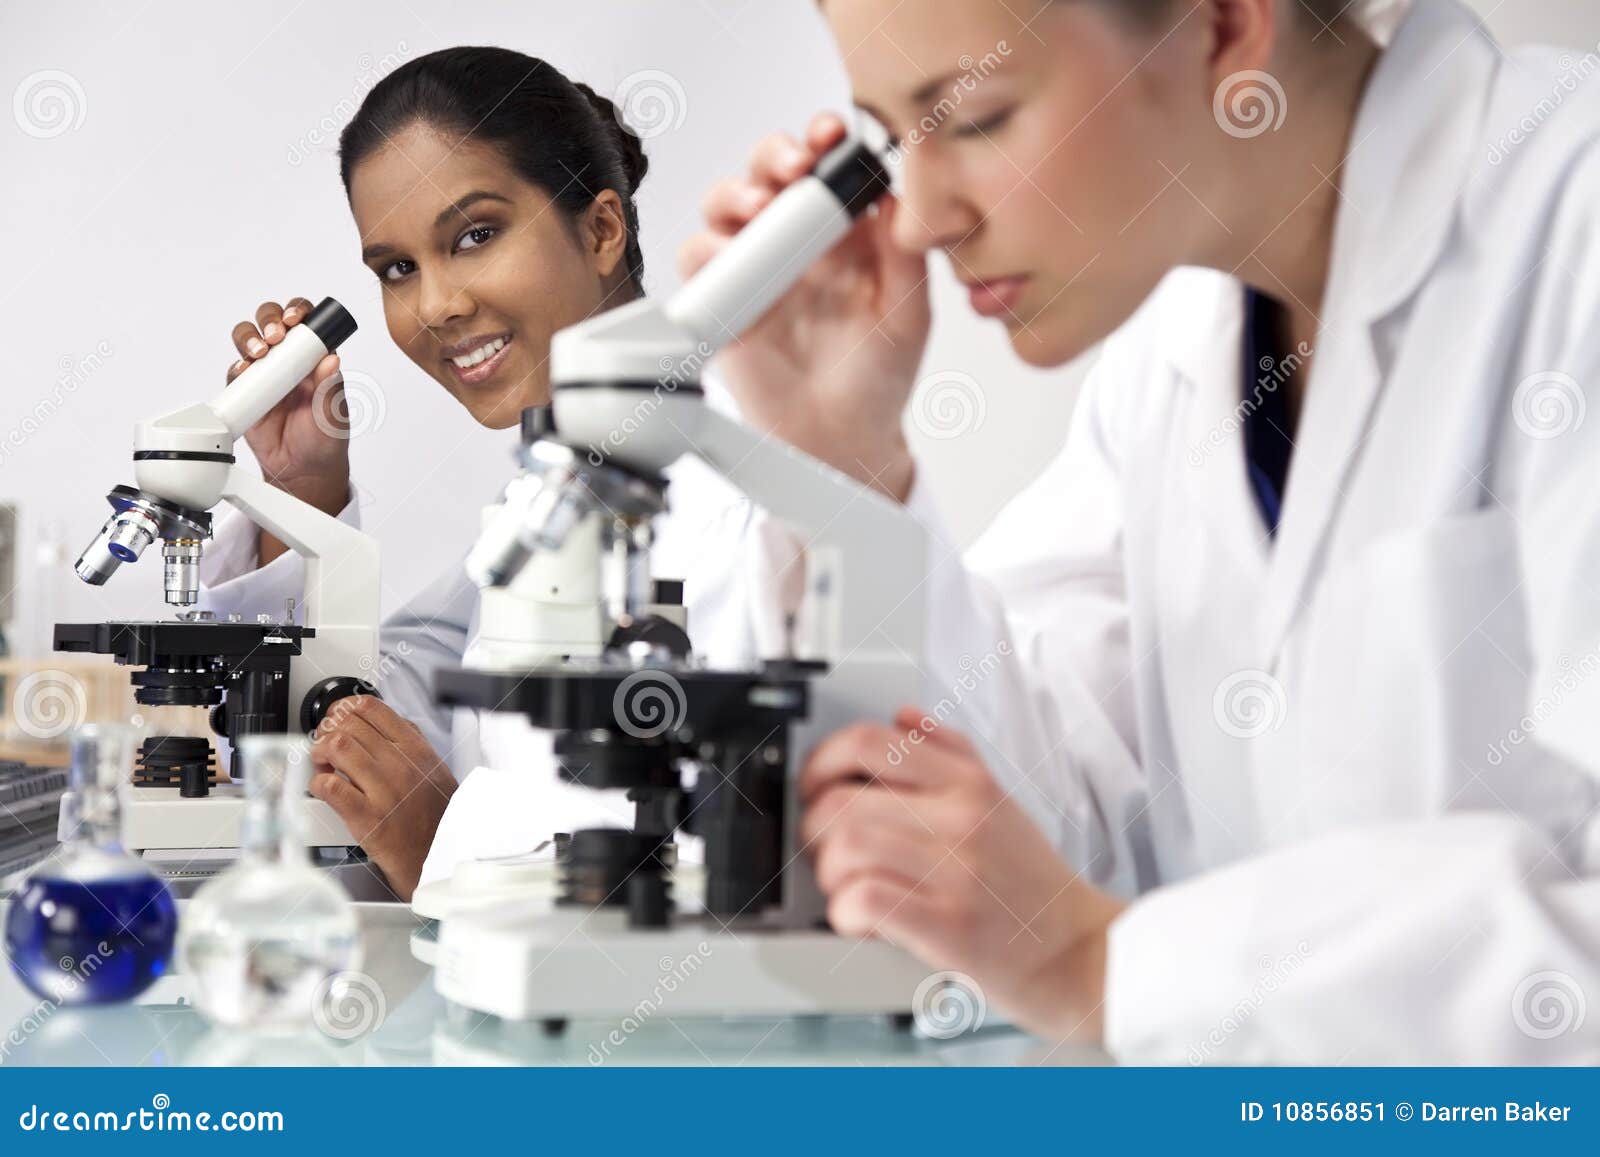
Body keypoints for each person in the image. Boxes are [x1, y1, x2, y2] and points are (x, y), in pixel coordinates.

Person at [682, 0, 1600, 1062]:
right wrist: (841, 460)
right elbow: (1038, 837)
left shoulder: (1570, 232)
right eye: (894, 138)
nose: (924, 220)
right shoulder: (1177, 345)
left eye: (972, 116)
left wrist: (1103, 966)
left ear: (1222, 27)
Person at [201, 47, 752, 900]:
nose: (435, 306)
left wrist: (445, 851)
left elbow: (745, 867)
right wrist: (296, 495)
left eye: (476, 236)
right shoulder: (553, 495)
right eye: (397, 268)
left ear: (602, 230)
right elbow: (388, 712)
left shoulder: (732, 499)